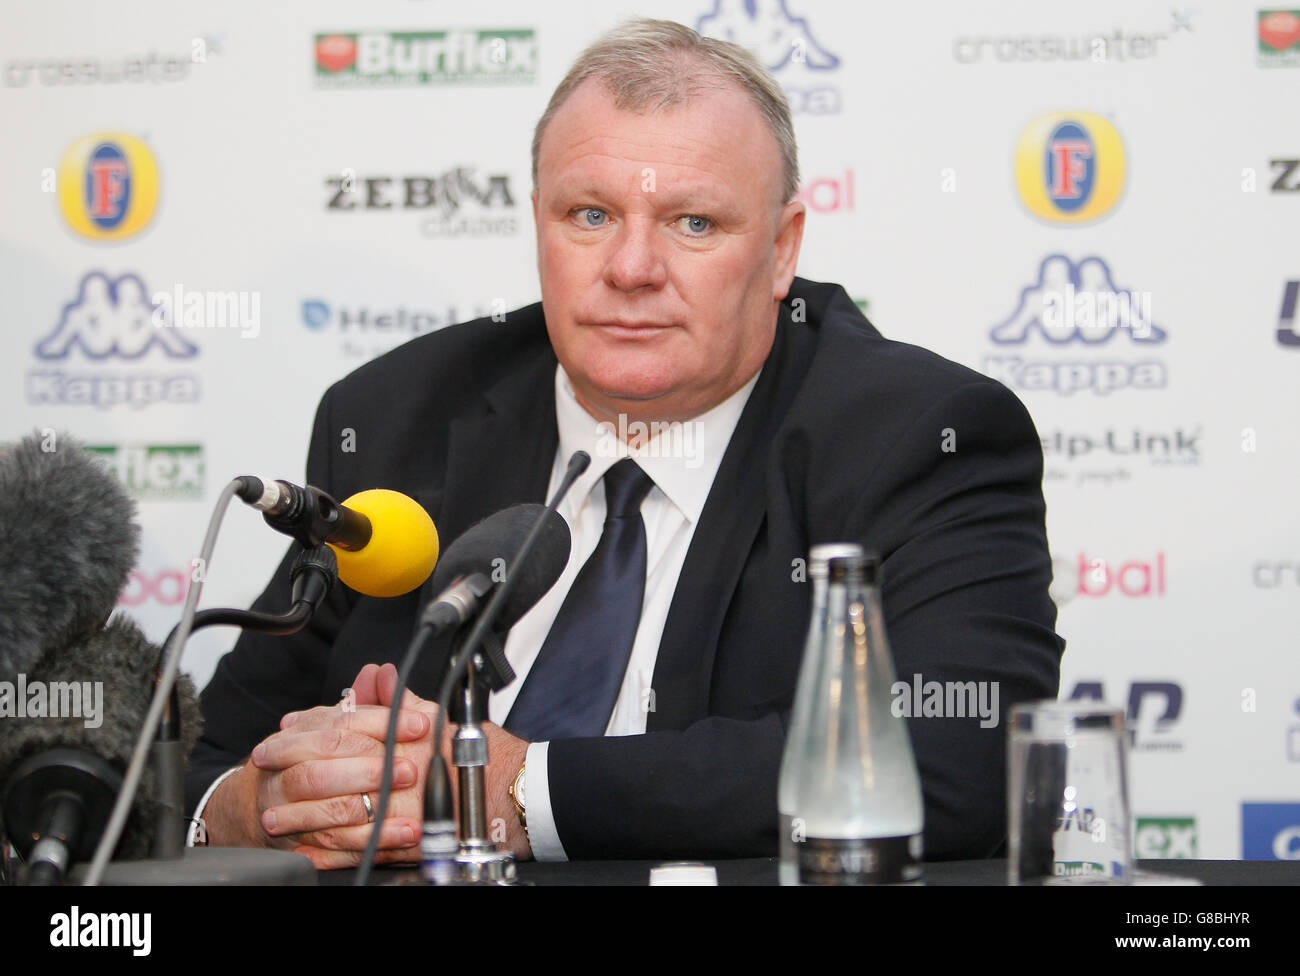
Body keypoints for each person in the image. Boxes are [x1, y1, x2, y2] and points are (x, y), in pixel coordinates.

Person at [187, 19, 1064, 869]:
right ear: (538, 221)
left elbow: (957, 757)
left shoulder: (919, 437)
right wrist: (255, 807)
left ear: (783, 247)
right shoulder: (398, 415)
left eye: (693, 224)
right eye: (590, 214)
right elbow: (203, 760)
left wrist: (517, 790)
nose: (632, 269)